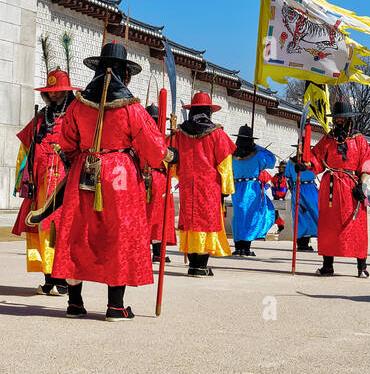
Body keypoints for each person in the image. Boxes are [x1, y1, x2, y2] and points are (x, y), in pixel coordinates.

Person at [43, 40, 166, 320]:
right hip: (120, 176)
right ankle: (115, 306)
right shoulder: (132, 109)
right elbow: (154, 150)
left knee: (78, 235)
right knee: (117, 236)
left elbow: (66, 143)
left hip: (84, 171)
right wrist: (165, 154)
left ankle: (74, 303)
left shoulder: (77, 106)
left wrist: (81, 161)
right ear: (125, 75)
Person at [11, 69, 73, 294]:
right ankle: (48, 278)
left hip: (65, 188)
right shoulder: (39, 119)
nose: (54, 96)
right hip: (40, 186)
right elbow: (25, 150)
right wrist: (23, 180)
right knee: (39, 231)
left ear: (66, 92)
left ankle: (63, 280)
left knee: (61, 231)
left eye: (59, 93)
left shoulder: (75, 116)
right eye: (51, 93)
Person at [304, 97, 370, 278]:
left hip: (352, 187)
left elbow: (367, 164)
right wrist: (303, 164)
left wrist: (363, 185)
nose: (338, 122)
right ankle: (327, 265)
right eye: (336, 119)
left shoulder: (359, 140)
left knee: (356, 225)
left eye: (342, 119)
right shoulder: (327, 140)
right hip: (330, 187)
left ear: (349, 120)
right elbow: (315, 160)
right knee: (329, 226)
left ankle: (362, 266)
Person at [175, 92, 234, 277]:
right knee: (206, 223)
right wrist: (226, 189)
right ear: (209, 112)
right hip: (209, 186)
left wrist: (179, 176)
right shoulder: (217, 134)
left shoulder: (180, 134)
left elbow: (174, 161)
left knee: (190, 222)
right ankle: (200, 266)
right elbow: (225, 163)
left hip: (187, 184)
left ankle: (193, 265)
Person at [230, 124, 276, 257]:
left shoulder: (232, 155)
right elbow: (272, 161)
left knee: (239, 216)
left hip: (237, 187)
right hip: (252, 187)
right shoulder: (257, 155)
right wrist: (258, 147)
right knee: (251, 217)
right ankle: (246, 247)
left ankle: (238, 247)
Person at [145, 104, 176, 264]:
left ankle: (146, 253)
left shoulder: (140, 136)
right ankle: (157, 254)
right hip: (158, 180)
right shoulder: (162, 140)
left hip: (143, 178)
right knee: (158, 219)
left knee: (147, 216)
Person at [285, 153, 319, 253]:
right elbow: (288, 177)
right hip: (301, 188)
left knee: (313, 214)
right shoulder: (291, 162)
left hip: (308, 189)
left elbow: (288, 177)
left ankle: (307, 242)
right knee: (300, 216)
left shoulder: (312, 161)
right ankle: (302, 244)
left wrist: (293, 188)